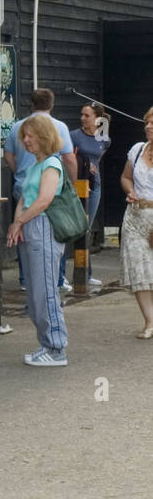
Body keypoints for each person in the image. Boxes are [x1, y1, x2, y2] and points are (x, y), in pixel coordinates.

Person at [6, 115, 69, 365]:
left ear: (44, 137)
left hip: (42, 227)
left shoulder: (52, 164)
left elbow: (44, 200)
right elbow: (24, 198)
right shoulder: (35, 166)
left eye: (31, 135)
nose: (26, 140)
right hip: (31, 227)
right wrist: (16, 222)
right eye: (25, 136)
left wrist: (19, 222)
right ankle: (46, 343)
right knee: (34, 293)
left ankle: (56, 348)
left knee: (45, 290)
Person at [3, 89, 77, 293]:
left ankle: (26, 279)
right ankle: (58, 279)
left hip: (23, 184)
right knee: (55, 232)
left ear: (32, 104)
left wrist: (18, 171)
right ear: (51, 105)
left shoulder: (17, 126)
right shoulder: (59, 126)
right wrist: (72, 183)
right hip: (48, 193)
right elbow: (70, 158)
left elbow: (8, 154)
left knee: (23, 236)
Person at [65, 103, 110, 284]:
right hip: (78, 185)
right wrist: (83, 163)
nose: (83, 118)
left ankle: (87, 273)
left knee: (86, 229)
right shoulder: (74, 136)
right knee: (72, 227)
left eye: (87, 115)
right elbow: (67, 157)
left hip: (95, 186)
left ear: (97, 119)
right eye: (82, 114)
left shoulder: (103, 138)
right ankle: (62, 275)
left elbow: (98, 155)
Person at [119, 108, 153, 339]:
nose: (148, 126)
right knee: (138, 268)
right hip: (134, 217)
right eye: (147, 122)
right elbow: (125, 177)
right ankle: (150, 322)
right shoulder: (137, 149)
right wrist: (130, 192)